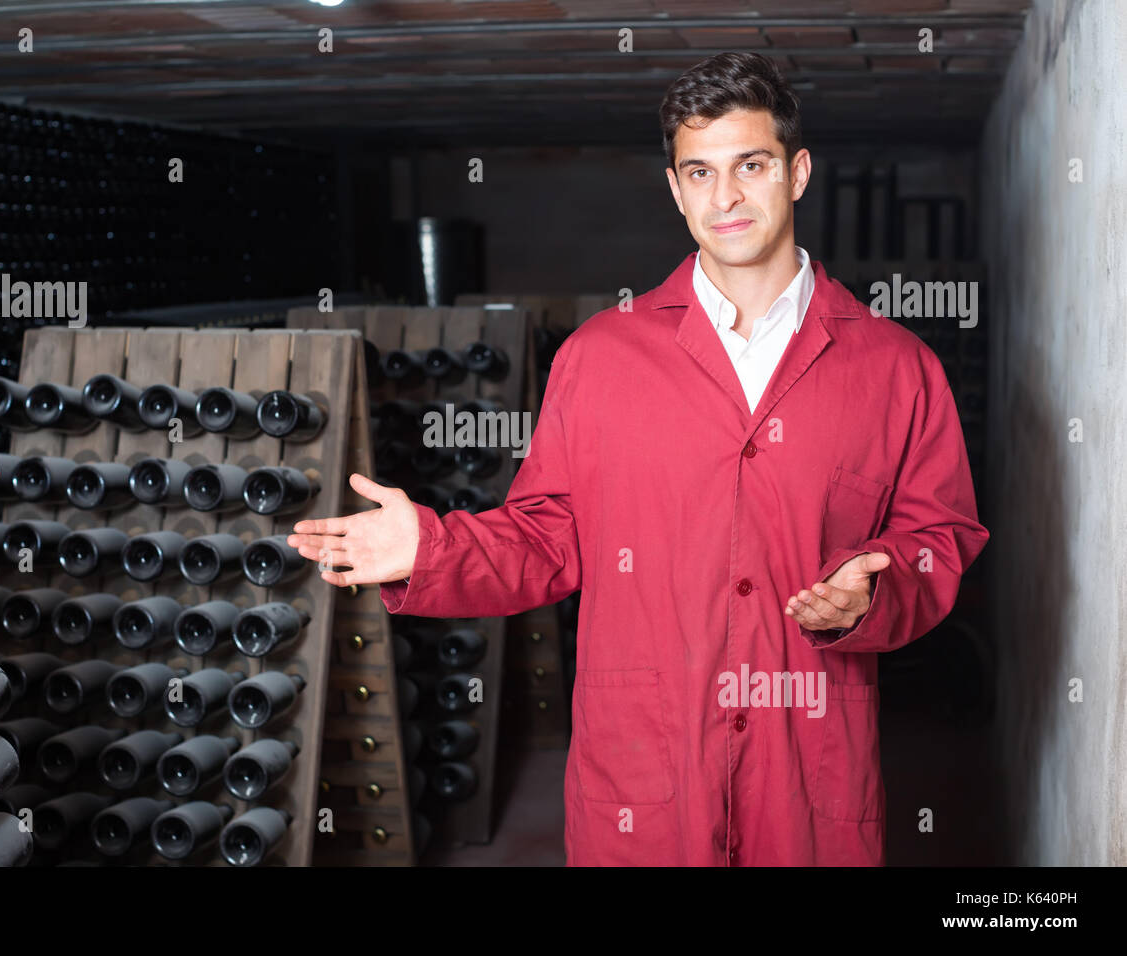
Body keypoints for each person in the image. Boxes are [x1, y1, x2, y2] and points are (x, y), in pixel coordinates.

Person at [287, 52, 989, 866]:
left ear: (797, 173)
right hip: (645, 785)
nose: (724, 197)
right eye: (699, 172)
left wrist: (876, 594)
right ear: (675, 188)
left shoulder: (895, 367)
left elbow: (940, 537)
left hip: (808, 773)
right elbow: (549, 538)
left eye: (750, 165)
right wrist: (434, 547)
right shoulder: (601, 358)